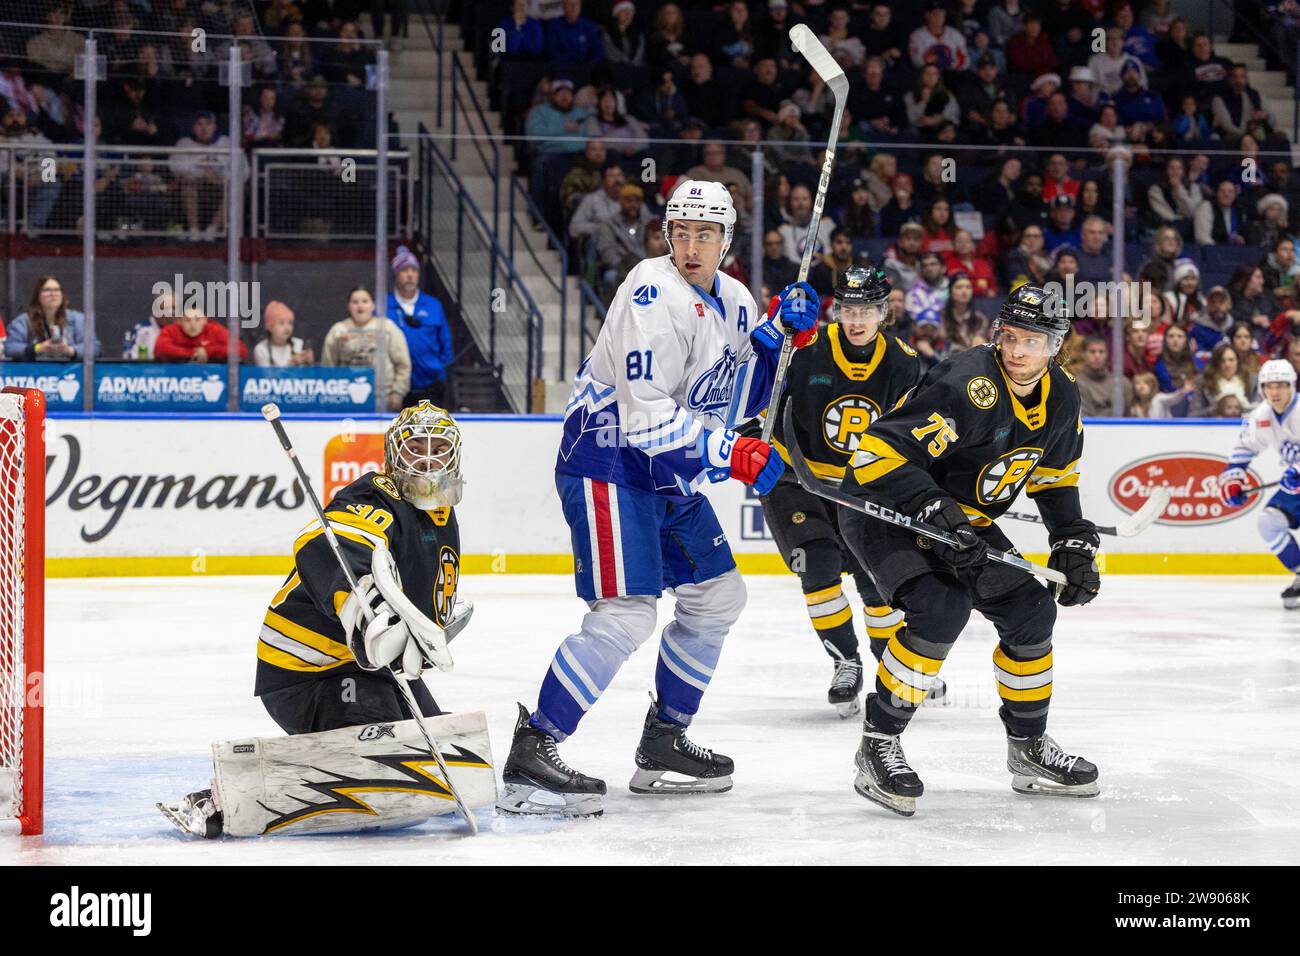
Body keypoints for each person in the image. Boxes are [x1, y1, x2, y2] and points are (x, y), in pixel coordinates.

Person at [496, 180, 818, 817]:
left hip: (668, 474)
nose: (691, 245)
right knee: (628, 613)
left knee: (720, 595)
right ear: (666, 234)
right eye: (680, 232)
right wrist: (733, 454)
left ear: (727, 241)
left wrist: (781, 335)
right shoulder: (651, 290)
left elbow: (736, 398)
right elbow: (645, 419)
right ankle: (535, 748)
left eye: (705, 234)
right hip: (610, 460)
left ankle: (664, 740)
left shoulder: (734, 299)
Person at [838, 284, 1101, 816]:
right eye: (1011, 337)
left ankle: (1027, 748)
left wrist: (1070, 538)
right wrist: (934, 509)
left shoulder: (1063, 396)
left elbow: (1053, 478)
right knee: (941, 607)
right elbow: (874, 454)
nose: (1019, 351)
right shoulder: (969, 381)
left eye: (1033, 340)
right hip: (884, 504)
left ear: (1056, 345)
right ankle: (878, 743)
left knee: (1031, 611)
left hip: (962, 518)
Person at [159, 403, 474, 837]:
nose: (426, 459)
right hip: (306, 669)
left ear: (455, 456)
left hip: (368, 666)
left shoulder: (441, 513)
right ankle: (219, 797)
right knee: (382, 758)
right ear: (391, 454)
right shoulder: (375, 495)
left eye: (437, 448)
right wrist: (359, 604)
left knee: (440, 753)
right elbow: (325, 541)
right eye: (414, 447)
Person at [755, 266, 941, 716]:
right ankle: (845, 663)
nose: (855, 320)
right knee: (816, 564)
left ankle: (890, 662)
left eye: (866, 310)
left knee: (878, 582)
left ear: (884, 312)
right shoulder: (805, 350)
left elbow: (905, 435)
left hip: (862, 486)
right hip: (796, 477)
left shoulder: (903, 361)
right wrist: (773, 331)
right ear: (835, 310)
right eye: (847, 310)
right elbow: (758, 387)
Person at [1220, 360, 1300, 608]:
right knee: (1269, 521)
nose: (1274, 392)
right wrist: (1234, 477)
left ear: (1292, 386)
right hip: (1296, 486)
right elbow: (1244, 448)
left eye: (1281, 386)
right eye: (1269, 386)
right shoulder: (1259, 417)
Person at [322, 287, 412, 411]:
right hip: (346, 399)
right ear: (349, 306)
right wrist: (333, 396)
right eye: (355, 302)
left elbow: (403, 364)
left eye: (365, 301)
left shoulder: (387, 327)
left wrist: (397, 393)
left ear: (373, 305)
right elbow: (328, 367)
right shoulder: (338, 330)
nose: (360, 306)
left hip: (383, 399)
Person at [386, 246, 454, 407]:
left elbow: (446, 344)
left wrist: (439, 370)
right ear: (396, 275)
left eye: (414, 270)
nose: (410, 275)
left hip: (430, 386)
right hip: (394, 389)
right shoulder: (384, 306)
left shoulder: (433, 305)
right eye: (404, 270)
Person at [3, 274, 99, 361]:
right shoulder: (23, 321)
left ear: (62, 295)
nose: (53, 294)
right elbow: (10, 348)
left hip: (71, 375)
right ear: (38, 296)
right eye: (47, 290)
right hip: (34, 375)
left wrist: (69, 350)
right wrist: (39, 348)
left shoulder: (79, 320)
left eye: (57, 290)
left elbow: (95, 348)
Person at [154, 308, 249, 363]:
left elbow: (241, 350)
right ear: (179, 321)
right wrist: (193, 353)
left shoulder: (214, 330)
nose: (193, 325)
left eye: (197, 319)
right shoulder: (171, 330)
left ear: (205, 320)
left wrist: (208, 351)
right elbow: (160, 349)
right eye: (187, 320)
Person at [1074, 335, 1132, 417]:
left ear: (1107, 354)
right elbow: (1086, 417)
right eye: (1092, 352)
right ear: (1083, 354)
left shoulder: (1122, 383)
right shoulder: (1078, 384)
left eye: (1101, 352)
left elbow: (1129, 417)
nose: (1097, 356)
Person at [253, 300, 314, 367]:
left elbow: (308, 375)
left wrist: (309, 364)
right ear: (270, 327)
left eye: (290, 323)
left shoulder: (299, 344)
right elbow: (266, 376)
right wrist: (290, 365)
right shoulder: (261, 350)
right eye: (281, 323)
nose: (287, 327)